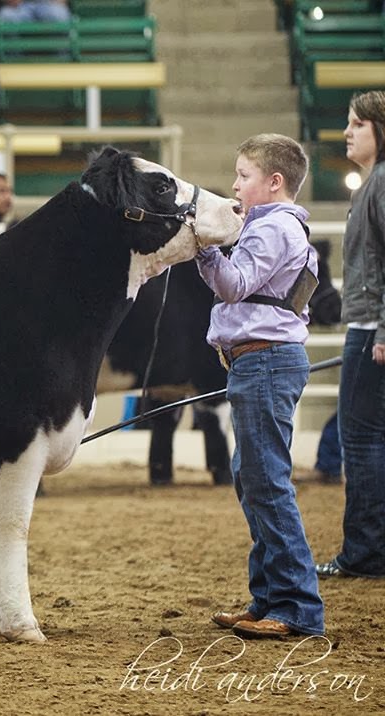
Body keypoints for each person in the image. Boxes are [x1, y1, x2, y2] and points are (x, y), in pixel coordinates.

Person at [197, 133, 324, 639]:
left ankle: (297, 607)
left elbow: (235, 284)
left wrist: (204, 248)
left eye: (244, 176)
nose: (235, 185)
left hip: (264, 363)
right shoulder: (275, 226)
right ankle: (269, 596)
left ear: (274, 182)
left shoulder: (272, 230)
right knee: (254, 480)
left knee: (266, 483)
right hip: (261, 363)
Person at [316, 90, 385, 580]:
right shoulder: (372, 185)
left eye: (357, 124)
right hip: (369, 326)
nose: (347, 132)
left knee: (360, 440)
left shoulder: (379, 186)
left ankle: (363, 551)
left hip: (370, 330)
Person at [0, 0, 70, 22]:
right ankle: (13, 56)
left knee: (60, 14)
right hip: (22, 7)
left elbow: (62, 2)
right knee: (4, 15)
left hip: (48, 5)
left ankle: (61, 56)